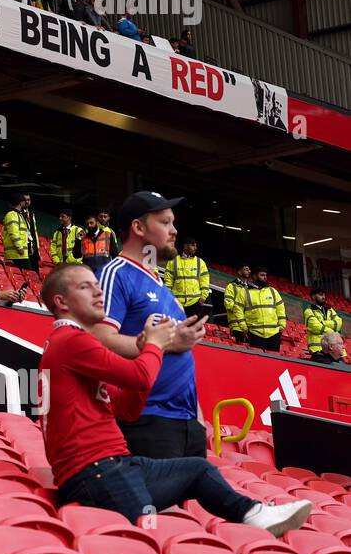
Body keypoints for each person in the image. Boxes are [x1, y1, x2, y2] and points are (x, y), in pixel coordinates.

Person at [40, 263, 312, 533]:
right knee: (144, 539)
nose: (98, 293)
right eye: (85, 287)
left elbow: (127, 408)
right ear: (61, 302)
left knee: (198, 469)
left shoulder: (67, 344)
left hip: (114, 464)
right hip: (97, 471)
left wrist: (146, 348)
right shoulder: (73, 340)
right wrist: (155, 344)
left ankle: (256, 514)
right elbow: (140, 376)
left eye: (98, 286)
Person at [96, 192, 208, 459]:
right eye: (165, 222)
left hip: (186, 422)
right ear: (138, 227)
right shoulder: (116, 273)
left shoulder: (161, 286)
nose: (174, 231)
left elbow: (180, 358)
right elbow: (98, 341)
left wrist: (198, 419)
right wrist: (169, 343)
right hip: (148, 420)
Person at [164, 237, 212, 320]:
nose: (195, 248)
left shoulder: (200, 262)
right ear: (185, 246)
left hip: (195, 304)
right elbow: (168, 282)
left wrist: (203, 298)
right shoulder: (173, 261)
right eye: (193, 245)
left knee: (190, 330)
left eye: (196, 246)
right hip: (177, 303)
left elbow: (205, 281)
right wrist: (169, 298)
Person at [241, 267, 286, 352]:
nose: (265, 277)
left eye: (266, 275)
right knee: (258, 363)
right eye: (262, 275)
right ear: (254, 276)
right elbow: (238, 310)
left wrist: (281, 325)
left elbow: (281, 309)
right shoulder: (244, 292)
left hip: (274, 334)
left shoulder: (273, 291)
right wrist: (244, 328)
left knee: (274, 362)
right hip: (254, 333)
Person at [2, 193, 39, 276]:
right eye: (24, 201)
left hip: (21, 253)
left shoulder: (19, 214)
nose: (25, 203)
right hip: (17, 253)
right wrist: (19, 247)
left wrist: (30, 247)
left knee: (29, 274)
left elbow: (26, 233)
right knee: (28, 275)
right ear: (20, 202)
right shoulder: (12, 214)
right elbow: (14, 233)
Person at [304, 288, 344, 361]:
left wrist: (323, 323)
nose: (324, 297)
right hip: (317, 350)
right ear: (313, 296)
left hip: (334, 352)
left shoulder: (330, 310)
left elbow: (339, 323)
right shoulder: (308, 311)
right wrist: (332, 332)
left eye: (324, 295)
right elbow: (315, 327)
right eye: (320, 294)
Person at [223, 265, 256, 345]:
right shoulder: (231, 286)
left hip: (249, 325)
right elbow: (228, 304)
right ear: (239, 272)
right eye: (245, 269)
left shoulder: (251, 288)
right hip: (237, 325)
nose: (249, 271)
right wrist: (241, 309)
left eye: (249, 269)